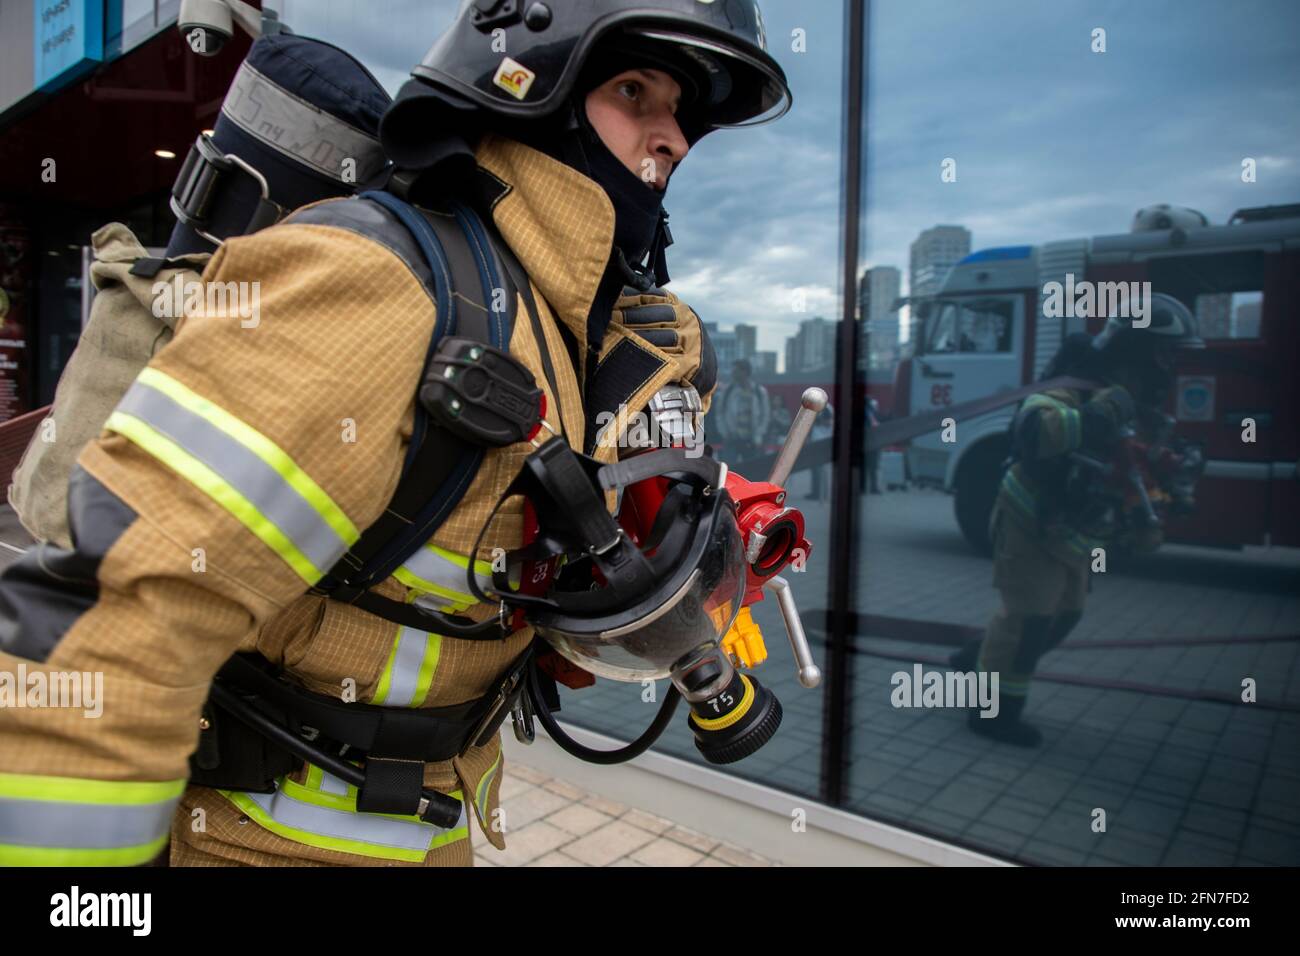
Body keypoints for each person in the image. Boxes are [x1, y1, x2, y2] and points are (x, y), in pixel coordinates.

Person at [0, 0, 790, 867]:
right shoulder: (377, 285)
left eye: (680, 111)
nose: (670, 135)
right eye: (635, 89)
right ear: (528, 86)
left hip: (429, 834)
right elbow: (111, 630)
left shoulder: (559, 333)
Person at [950, 294, 1204, 746]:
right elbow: (1034, 431)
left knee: (1064, 615)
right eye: (1164, 354)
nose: (1168, 366)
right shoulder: (1077, 387)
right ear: (1135, 350)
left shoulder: (1137, 404)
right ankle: (992, 714)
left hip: (1071, 531)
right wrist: (1099, 415)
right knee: (1027, 620)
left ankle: (977, 663)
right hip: (1029, 521)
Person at [717, 359, 770, 462]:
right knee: (729, 471)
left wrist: (759, 434)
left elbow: (765, 416)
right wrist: (725, 432)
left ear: (745, 372)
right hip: (732, 438)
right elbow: (720, 413)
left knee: (750, 471)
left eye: (736, 371)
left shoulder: (759, 392)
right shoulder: (728, 391)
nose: (733, 373)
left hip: (752, 440)